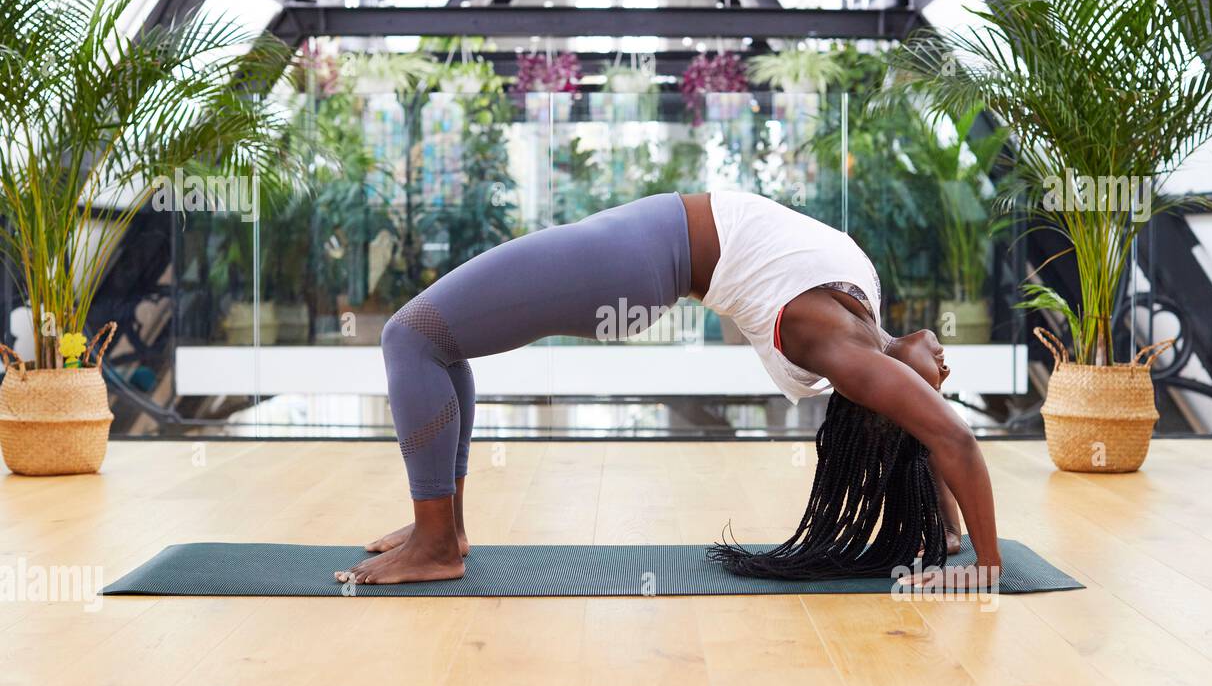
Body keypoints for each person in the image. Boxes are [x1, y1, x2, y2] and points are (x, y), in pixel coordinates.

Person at [335, 191, 1001, 586]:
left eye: (934, 385)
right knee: (437, 340)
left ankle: (436, 545)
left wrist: (988, 563)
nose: (945, 368)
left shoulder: (843, 349)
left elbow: (950, 435)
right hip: (639, 248)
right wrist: (940, 528)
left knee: (409, 336)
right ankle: (442, 526)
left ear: (895, 394)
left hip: (632, 262)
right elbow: (928, 436)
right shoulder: (866, 315)